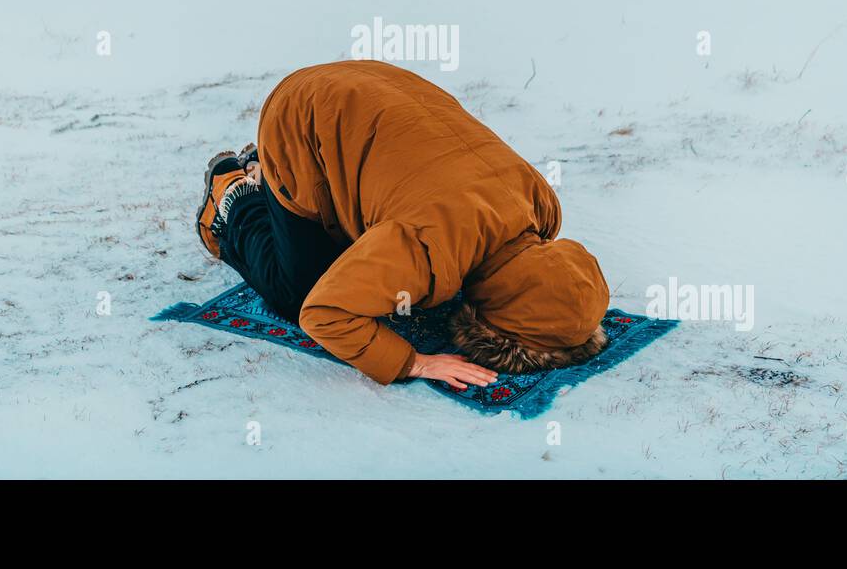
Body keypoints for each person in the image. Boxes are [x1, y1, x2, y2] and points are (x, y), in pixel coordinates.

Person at [195, 60, 609, 391]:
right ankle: (236, 194)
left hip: (379, 87)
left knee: (358, 256)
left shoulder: (541, 206)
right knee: (298, 289)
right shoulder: (424, 250)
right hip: (301, 120)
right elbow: (324, 313)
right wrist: (414, 362)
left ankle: (262, 172)